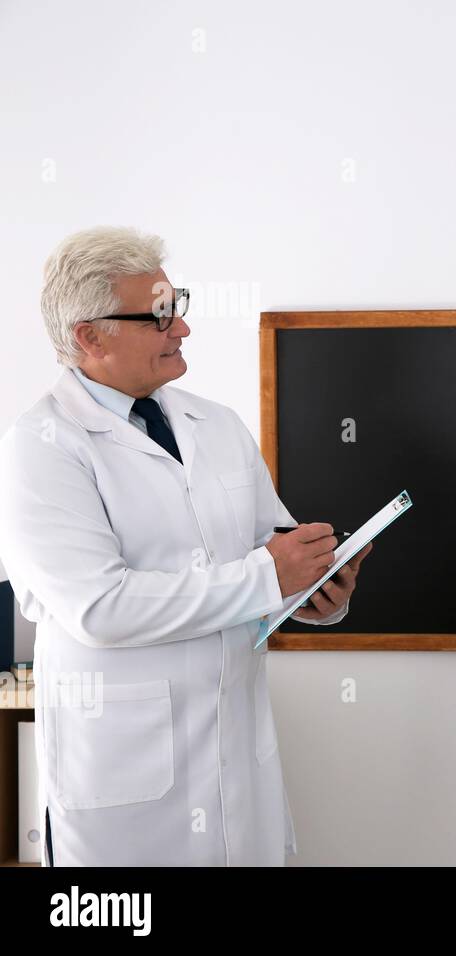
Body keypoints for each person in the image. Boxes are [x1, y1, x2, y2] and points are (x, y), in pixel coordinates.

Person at [0, 226, 372, 865]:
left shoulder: (216, 424)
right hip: (126, 780)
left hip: (238, 763)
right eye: (159, 315)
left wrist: (315, 590)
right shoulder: (41, 446)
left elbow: (268, 552)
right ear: (90, 337)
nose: (183, 328)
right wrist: (269, 577)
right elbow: (100, 608)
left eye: (179, 306)